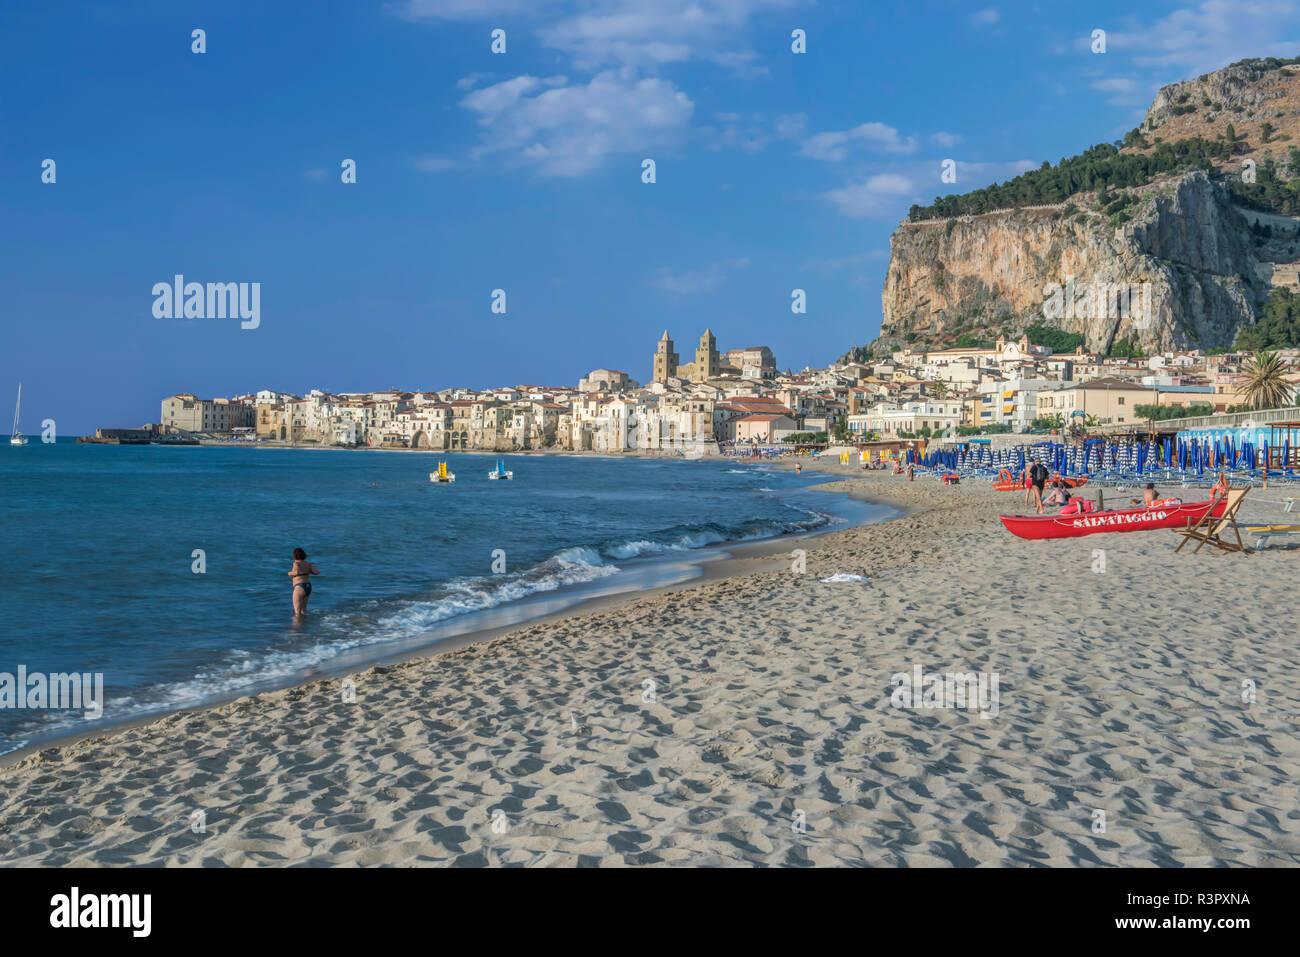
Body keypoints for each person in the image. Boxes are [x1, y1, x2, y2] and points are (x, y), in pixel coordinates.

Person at [288, 547, 320, 616]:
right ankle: (304, 626)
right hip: (308, 587)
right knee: (303, 611)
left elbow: (296, 572)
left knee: (297, 613)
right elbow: (317, 572)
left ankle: (297, 626)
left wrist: (289, 573)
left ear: (294, 556)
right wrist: (308, 570)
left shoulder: (296, 563)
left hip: (300, 587)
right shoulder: (308, 564)